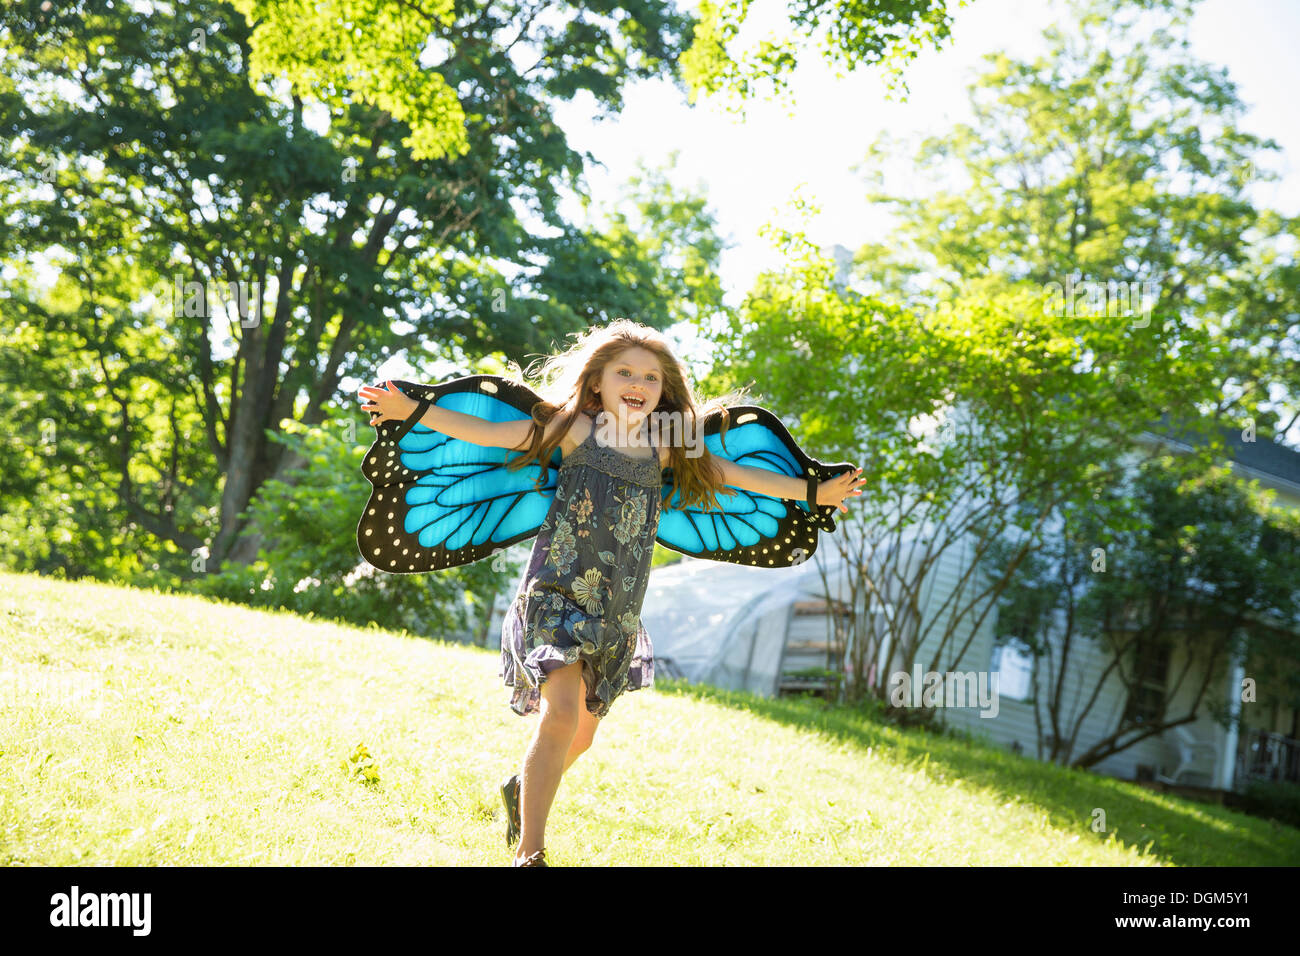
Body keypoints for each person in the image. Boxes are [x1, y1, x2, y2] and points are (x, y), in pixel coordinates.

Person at [358, 320, 865, 866]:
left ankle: (520, 789)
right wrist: (415, 413)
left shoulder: (669, 448)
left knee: (582, 736)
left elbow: (736, 475)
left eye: (650, 376)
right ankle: (530, 852)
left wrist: (813, 490)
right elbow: (492, 434)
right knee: (559, 717)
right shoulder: (574, 429)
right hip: (556, 594)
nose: (637, 383)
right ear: (596, 381)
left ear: (663, 390)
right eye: (624, 371)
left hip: (617, 610)